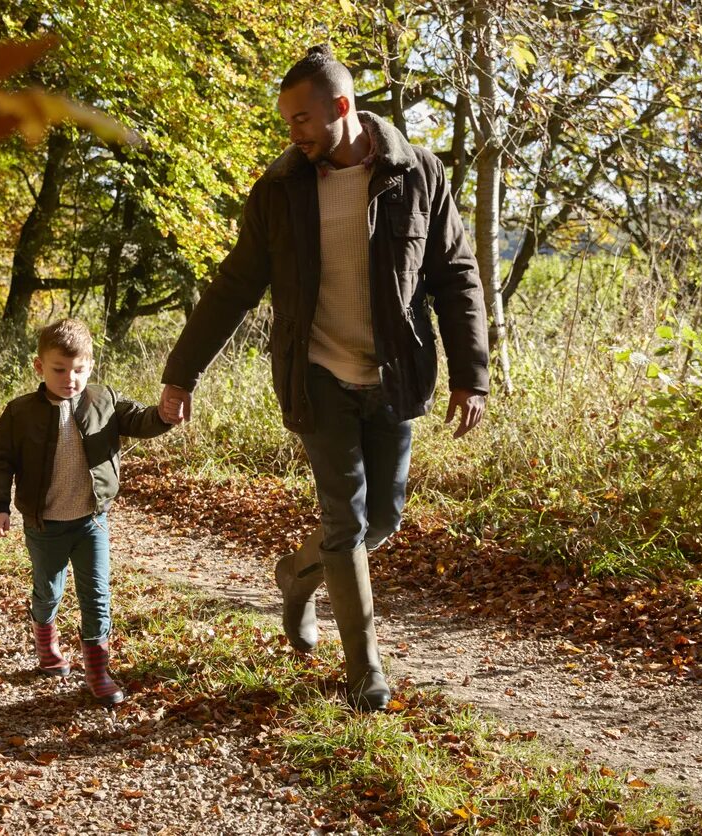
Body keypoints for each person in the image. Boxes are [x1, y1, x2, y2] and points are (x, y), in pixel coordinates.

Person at [157, 45, 489, 711]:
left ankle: (296, 575)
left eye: (301, 119)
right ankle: (365, 668)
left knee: (383, 517)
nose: (292, 133)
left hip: (394, 376)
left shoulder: (418, 173)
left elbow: (456, 275)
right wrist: (181, 373)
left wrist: (471, 373)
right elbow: (233, 289)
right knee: (344, 522)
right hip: (318, 377)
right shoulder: (279, 191)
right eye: (287, 122)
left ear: (342, 108)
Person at [0, 318, 172, 707]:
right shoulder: (20, 413)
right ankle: (46, 640)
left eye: (80, 369)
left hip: (91, 521)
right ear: (39, 367)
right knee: (49, 593)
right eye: (60, 370)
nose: (71, 378)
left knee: (97, 594)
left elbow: (141, 420)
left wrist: (165, 415)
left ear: (91, 364)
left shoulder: (104, 400)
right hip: (45, 524)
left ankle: (97, 671)